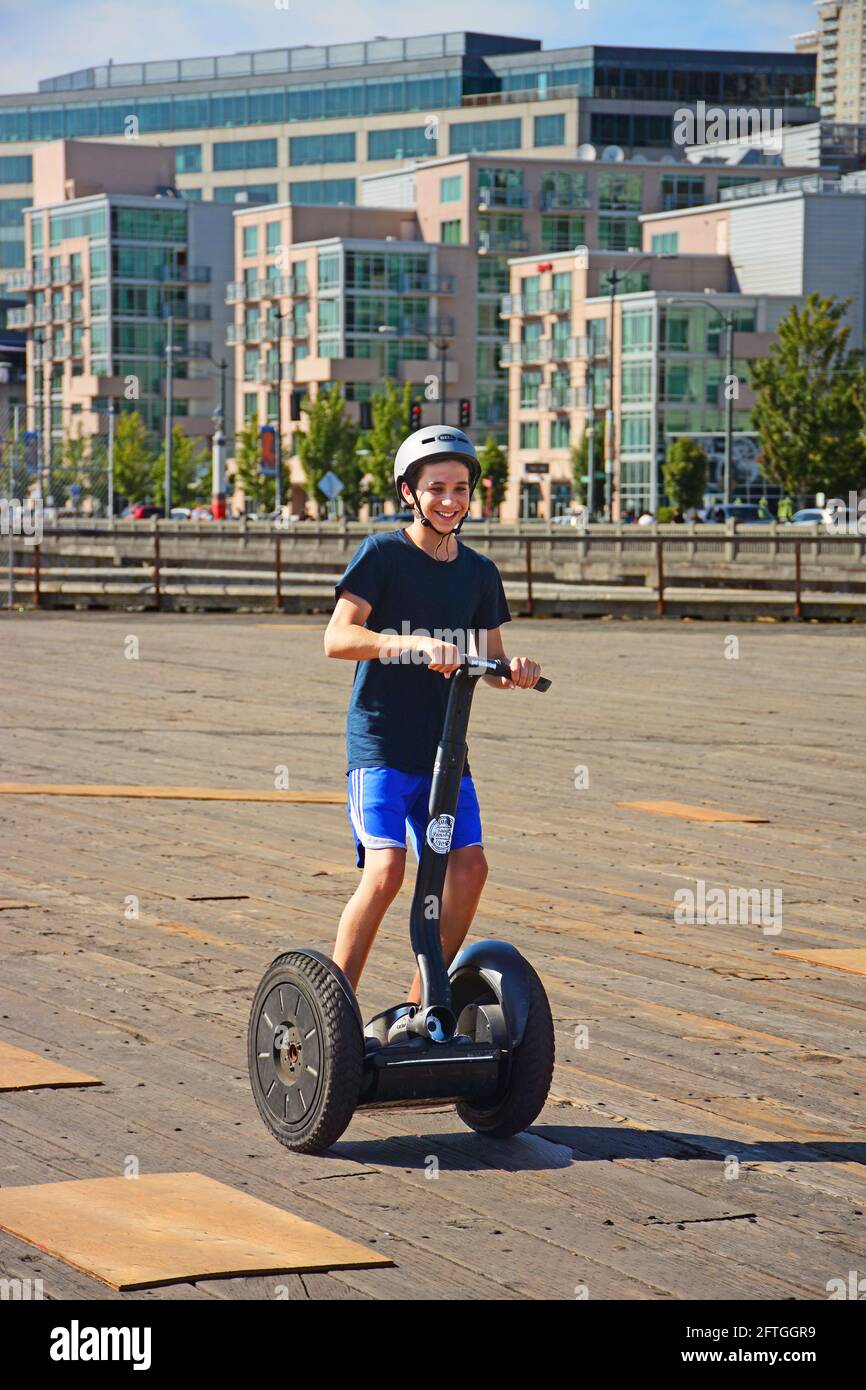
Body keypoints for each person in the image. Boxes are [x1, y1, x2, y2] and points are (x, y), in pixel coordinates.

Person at [323, 426, 543, 1006]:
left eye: (461, 488)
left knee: (468, 870)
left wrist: (512, 668)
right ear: (409, 493)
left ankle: (423, 1006)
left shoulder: (478, 573)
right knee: (388, 869)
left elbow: (489, 661)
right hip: (381, 746)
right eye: (437, 488)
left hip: (445, 754)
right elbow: (337, 638)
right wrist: (412, 645)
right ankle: (333, 1011)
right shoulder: (382, 556)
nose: (450, 500)